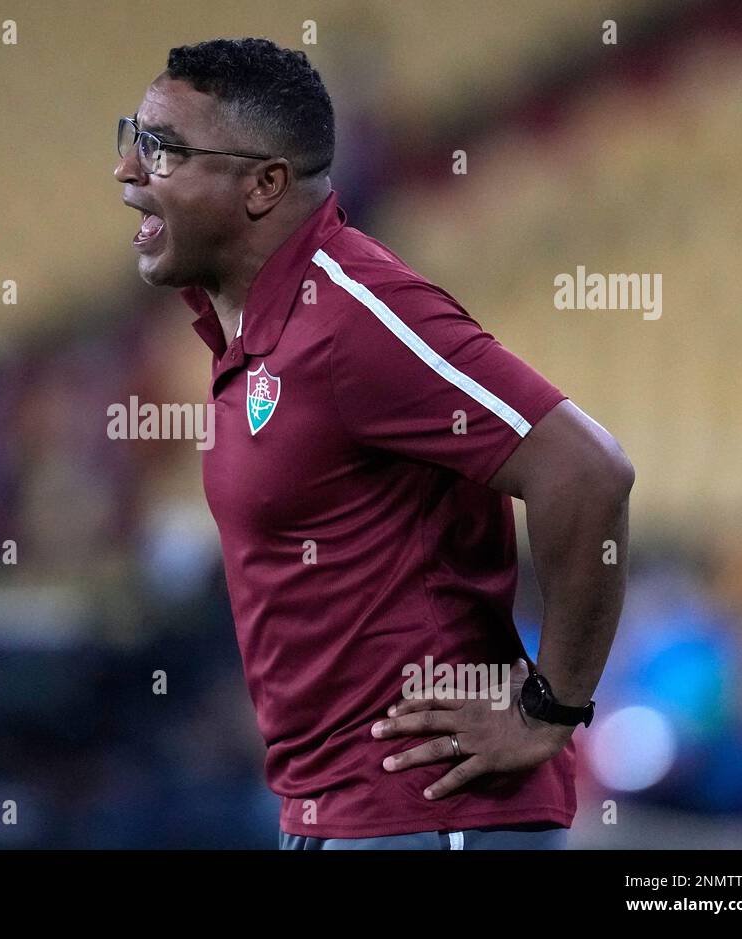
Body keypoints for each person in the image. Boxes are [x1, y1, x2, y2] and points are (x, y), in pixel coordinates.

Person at [112, 39, 634, 849]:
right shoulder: (249, 336)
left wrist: (550, 707)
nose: (128, 172)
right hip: (339, 817)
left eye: (162, 150)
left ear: (263, 184)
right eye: (133, 141)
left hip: (435, 819)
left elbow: (587, 470)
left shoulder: (356, 316)